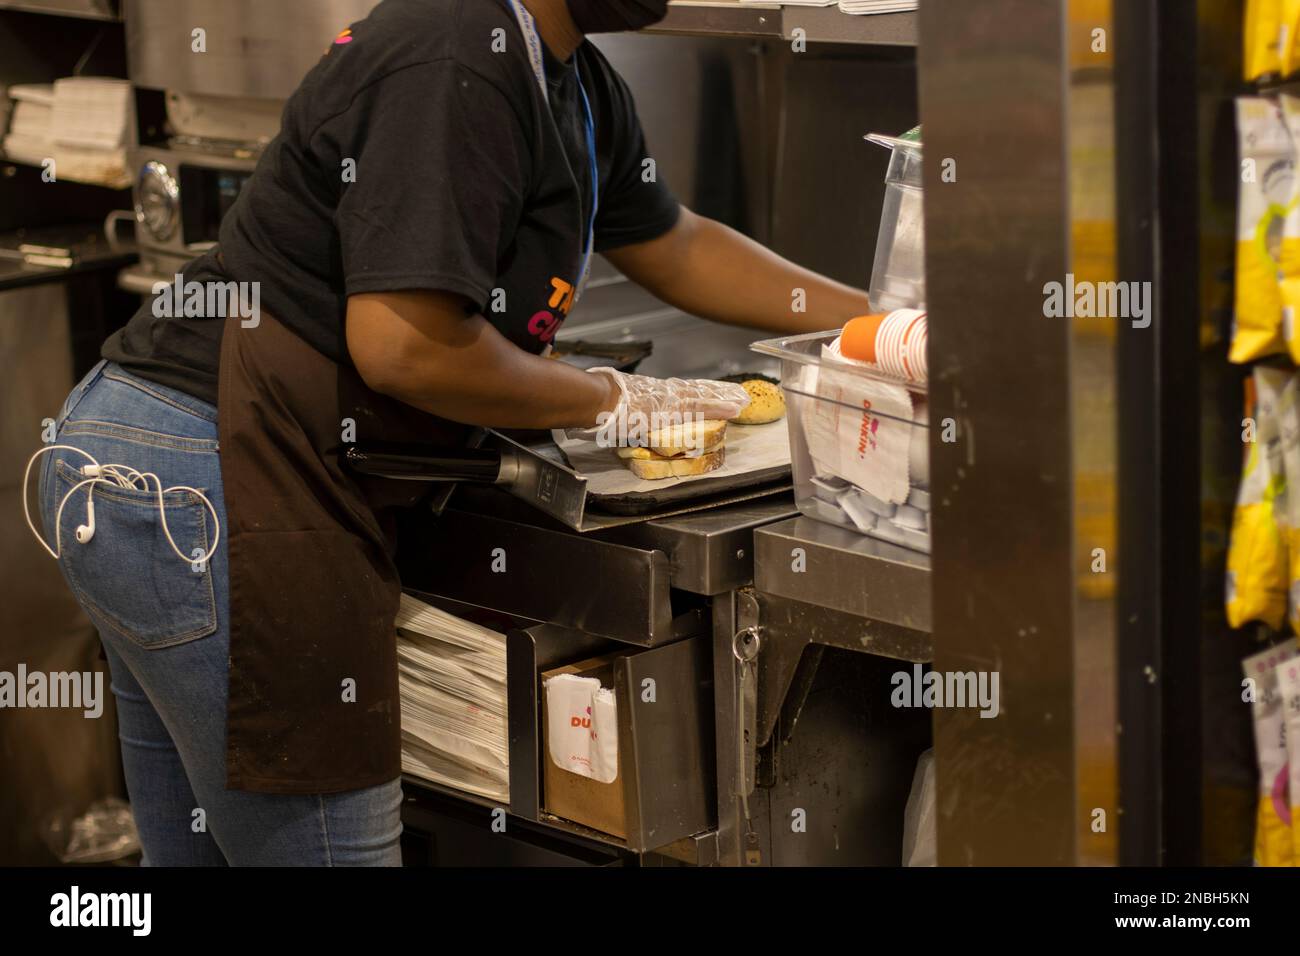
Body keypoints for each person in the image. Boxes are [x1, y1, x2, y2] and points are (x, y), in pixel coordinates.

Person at [31, 0, 873, 866]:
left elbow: (675, 242)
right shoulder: (457, 50)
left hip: (145, 467)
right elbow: (402, 347)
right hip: (204, 488)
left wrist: (879, 325)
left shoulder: (572, 80)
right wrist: (608, 399)